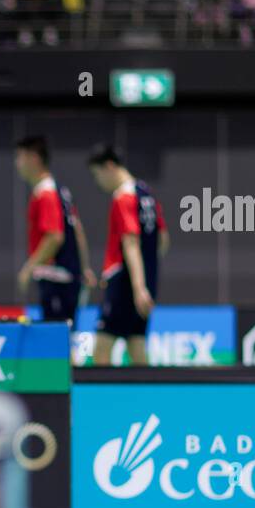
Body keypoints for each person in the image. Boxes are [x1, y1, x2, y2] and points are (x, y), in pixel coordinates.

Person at [87, 145, 168, 366]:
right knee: (137, 344)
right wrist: (146, 280)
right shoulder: (146, 193)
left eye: (97, 174)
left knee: (101, 349)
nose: (98, 181)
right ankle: (149, 398)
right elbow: (162, 239)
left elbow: (130, 242)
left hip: (125, 282)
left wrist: (137, 287)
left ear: (110, 166)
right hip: (146, 279)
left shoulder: (123, 197)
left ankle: (102, 400)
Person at [13, 135, 96, 322]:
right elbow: (77, 230)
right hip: (68, 276)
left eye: (20, 157)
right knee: (65, 337)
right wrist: (84, 268)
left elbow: (54, 236)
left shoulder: (46, 194)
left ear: (34, 158)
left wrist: (28, 268)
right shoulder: (60, 191)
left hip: (56, 276)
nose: (17, 163)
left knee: (57, 340)